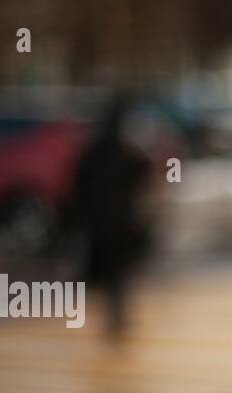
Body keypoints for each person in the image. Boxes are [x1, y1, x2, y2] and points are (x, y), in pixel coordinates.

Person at [73, 93, 152, 341]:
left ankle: (114, 315)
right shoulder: (123, 150)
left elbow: (80, 184)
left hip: (102, 222)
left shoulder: (94, 150)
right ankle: (116, 314)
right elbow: (142, 173)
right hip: (119, 221)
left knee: (110, 272)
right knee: (117, 272)